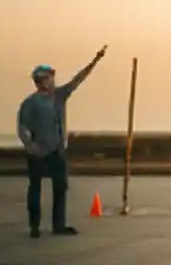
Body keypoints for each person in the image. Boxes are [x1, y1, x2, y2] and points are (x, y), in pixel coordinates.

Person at [17, 45, 107, 238]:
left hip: (57, 150)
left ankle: (59, 225)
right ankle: (35, 225)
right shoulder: (30, 103)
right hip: (38, 151)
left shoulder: (59, 96)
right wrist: (30, 146)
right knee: (35, 188)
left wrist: (95, 60)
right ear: (39, 81)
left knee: (60, 187)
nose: (50, 81)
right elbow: (22, 127)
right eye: (46, 78)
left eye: (50, 77)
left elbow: (78, 80)